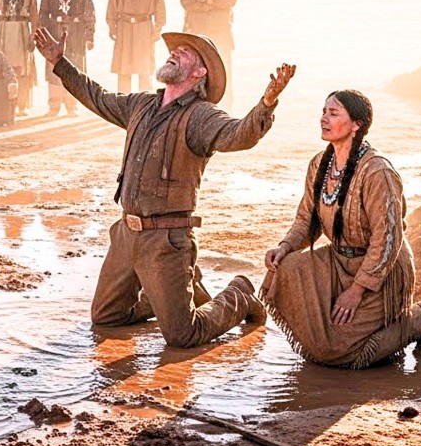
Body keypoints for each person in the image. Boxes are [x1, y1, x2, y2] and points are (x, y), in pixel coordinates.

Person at [34, 25, 296, 349]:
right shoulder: (141, 104)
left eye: (185, 52)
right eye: (175, 49)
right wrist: (60, 62)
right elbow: (97, 97)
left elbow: (239, 134)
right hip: (126, 235)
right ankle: (179, 296)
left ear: (199, 72)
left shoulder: (201, 116)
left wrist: (266, 103)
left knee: (182, 337)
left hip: (165, 241)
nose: (174, 52)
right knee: (106, 317)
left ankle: (239, 294)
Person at [261, 90, 421, 368]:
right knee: (285, 268)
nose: (324, 119)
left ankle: (420, 318)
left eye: (333, 113)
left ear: (356, 124)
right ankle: (347, 334)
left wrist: (356, 291)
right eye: (323, 112)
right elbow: (306, 220)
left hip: (382, 269)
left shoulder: (377, 171)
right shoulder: (319, 164)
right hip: (339, 261)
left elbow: (388, 239)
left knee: (339, 353)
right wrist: (284, 247)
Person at [181, 0, 239, 109]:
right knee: (195, 70)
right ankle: (195, 108)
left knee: (222, 70)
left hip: (220, 32)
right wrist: (205, 6)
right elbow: (185, 0)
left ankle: (225, 108)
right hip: (197, 31)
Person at [38, 0, 96, 117]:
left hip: (76, 34)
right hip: (54, 32)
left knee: (74, 68)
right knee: (53, 67)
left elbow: (90, 12)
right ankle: (54, 106)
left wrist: (89, 36)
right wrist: (42, 34)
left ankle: (72, 106)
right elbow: (42, 12)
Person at [107, 0, 167, 94]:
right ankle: (122, 105)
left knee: (144, 69)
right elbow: (113, 1)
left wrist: (158, 28)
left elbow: (159, 3)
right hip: (124, 25)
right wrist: (112, 25)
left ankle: (144, 106)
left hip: (144, 25)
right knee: (123, 68)